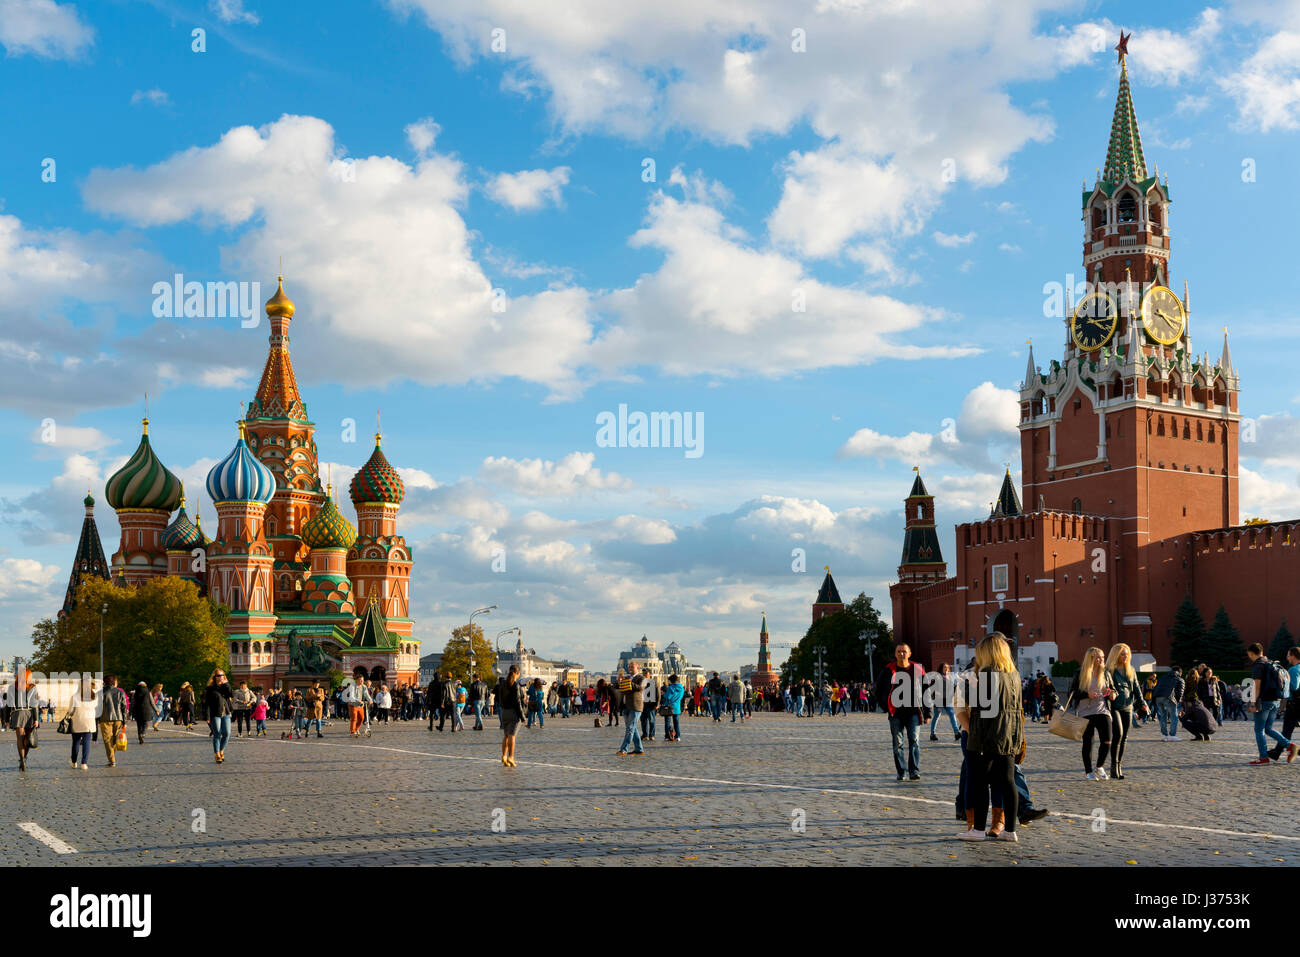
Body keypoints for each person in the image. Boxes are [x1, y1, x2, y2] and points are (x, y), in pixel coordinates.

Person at [956, 633, 1025, 842]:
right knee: (1008, 781)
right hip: (1009, 733)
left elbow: (977, 704)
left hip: (986, 735)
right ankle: (1010, 830)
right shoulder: (1013, 674)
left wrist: (970, 685)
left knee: (979, 781)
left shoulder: (986, 674)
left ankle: (977, 830)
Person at [874, 642, 926, 781]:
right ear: (895, 654)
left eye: (904, 651)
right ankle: (901, 772)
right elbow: (878, 690)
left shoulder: (917, 669)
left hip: (914, 712)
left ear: (909, 654)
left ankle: (914, 771)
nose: (901, 654)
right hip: (895, 713)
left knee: (914, 741)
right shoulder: (888, 670)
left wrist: (928, 712)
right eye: (899, 651)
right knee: (898, 744)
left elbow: (926, 691)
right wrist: (886, 706)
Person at [1065, 647, 1113, 780]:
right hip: (1085, 712)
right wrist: (1087, 694)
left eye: (1102, 657)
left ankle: (1099, 766)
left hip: (1102, 710)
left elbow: (1110, 689)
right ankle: (1088, 771)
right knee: (1088, 742)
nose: (1101, 660)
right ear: (1090, 659)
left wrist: (1111, 694)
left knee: (1107, 740)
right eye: (1097, 657)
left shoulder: (1106, 673)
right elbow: (1071, 693)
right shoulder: (1080, 673)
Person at [1105, 643, 1147, 780]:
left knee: (1124, 738)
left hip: (1128, 706)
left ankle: (1119, 765)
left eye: (1127, 654)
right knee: (1118, 734)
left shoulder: (1131, 669)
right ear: (1116, 655)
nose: (1125, 656)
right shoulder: (1109, 670)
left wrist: (1142, 703)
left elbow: (1136, 688)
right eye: (1122, 654)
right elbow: (1105, 688)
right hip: (1114, 706)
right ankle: (1113, 765)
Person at [1247, 642, 1291, 764]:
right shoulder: (1269, 662)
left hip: (1264, 701)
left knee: (1259, 729)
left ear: (1251, 653)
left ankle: (1263, 757)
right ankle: (1290, 746)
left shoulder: (1258, 666)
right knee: (1268, 728)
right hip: (1275, 701)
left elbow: (1256, 686)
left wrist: (1252, 703)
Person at [1267, 646, 1300, 762]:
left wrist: (1284, 681)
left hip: (1295, 704)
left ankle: (1278, 752)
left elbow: (1294, 686)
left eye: (1288, 655)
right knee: (1287, 730)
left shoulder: (1293, 669)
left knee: (1287, 730)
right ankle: (1277, 752)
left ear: (1293, 656)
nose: (1287, 657)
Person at [9, 666, 41, 773]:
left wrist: (5, 719)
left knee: (20, 739)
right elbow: (35, 705)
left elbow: (8, 705)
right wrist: (36, 719)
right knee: (27, 738)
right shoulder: (32, 687)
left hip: (17, 713)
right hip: (29, 713)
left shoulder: (12, 687)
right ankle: (24, 759)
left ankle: (22, 759)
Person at [62, 676, 97, 770]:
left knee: (76, 742)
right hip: (89, 722)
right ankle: (84, 763)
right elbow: (96, 707)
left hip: (77, 721)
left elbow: (70, 710)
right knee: (86, 742)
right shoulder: (94, 696)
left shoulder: (75, 697)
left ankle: (74, 762)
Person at [496, 664, 526, 767]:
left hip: (504, 712)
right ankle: (511, 757)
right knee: (512, 736)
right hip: (514, 713)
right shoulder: (515, 685)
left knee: (506, 736)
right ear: (518, 673)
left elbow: (499, 699)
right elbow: (518, 702)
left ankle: (504, 756)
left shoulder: (502, 684)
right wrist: (522, 716)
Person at [96, 674, 128, 768]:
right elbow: (124, 707)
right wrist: (125, 722)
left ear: (104, 682)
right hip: (118, 718)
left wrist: (96, 720)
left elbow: (97, 708)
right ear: (114, 682)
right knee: (114, 739)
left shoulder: (100, 693)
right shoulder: (120, 692)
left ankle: (112, 760)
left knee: (107, 740)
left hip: (104, 719)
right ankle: (112, 758)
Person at [1180, 669, 1217, 742]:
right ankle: (1206, 736)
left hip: (1193, 698)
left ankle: (1199, 736)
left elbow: (1183, 719)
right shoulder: (1201, 706)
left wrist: (1180, 716)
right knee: (1199, 717)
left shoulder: (1189, 680)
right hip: (1214, 728)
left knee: (1185, 722)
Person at [617, 663, 646, 755]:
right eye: (629, 666)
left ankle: (624, 749)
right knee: (632, 728)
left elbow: (640, 688)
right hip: (626, 706)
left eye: (632, 667)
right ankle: (639, 749)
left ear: (637, 668)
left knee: (630, 728)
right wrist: (619, 682)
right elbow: (619, 688)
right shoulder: (626, 678)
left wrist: (629, 683)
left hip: (636, 706)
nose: (630, 668)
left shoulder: (641, 678)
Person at [205, 668, 233, 764]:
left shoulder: (225, 687)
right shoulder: (210, 689)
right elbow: (207, 703)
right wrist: (207, 716)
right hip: (215, 714)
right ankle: (217, 754)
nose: (220, 677)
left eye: (222, 675)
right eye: (218, 675)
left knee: (227, 733)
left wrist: (226, 684)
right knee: (217, 733)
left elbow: (231, 694)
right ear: (214, 677)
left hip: (226, 714)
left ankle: (221, 751)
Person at [928, 662, 960, 742]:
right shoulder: (936, 677)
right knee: (936, 717)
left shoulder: (950, 677)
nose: (946, 669)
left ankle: (956, 733)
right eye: (944, 667)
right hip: (939, 701)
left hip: (948, 700)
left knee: (952, 715)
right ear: (941, 668)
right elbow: (931, 688)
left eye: (947, 667)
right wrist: (935, 693)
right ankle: (932, 734)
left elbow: (953, 688)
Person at [1152, 666, 1184, 741]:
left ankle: (1164, 735)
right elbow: (1180, 691)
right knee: (1174, 716)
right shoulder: (1179, 679)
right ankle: (1172, 735)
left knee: (1163, 716)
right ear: (1180, 673)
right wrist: (1177, 700)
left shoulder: (1163, 677)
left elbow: (1156, 687)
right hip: (1168, 697)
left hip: (1158, 697)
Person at [130, 681, 156, 745]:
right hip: (146, 709)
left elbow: (133, 702)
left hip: (137, 710)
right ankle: (143, 734)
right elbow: (152, 702)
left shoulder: (135, 693)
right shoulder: (148, 692)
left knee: (139, 724)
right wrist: (156, 710)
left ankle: (139, 735)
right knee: (145, 723)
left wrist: (130, 711)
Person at [662, 674, 684, 742]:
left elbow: (668, 696)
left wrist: (664, 694)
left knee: (667, 722)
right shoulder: (681, 688)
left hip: (669, 706)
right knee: (676, 722)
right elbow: (681, 697)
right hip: (677, 706)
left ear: (671, 681)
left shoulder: (671, 687)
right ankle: (678, 736)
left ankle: (667, 736)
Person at [641, 671, 659, 741]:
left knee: (651, 721)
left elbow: (658, 694)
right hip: (643, 705)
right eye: (644, 674)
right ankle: (645, 735)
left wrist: (657, 704)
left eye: (646, 674)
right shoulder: (642, 683)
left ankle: (651, 735)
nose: (645, 675)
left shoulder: (654, 683)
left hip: (651, 705)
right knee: (643, 720)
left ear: (649, 675)